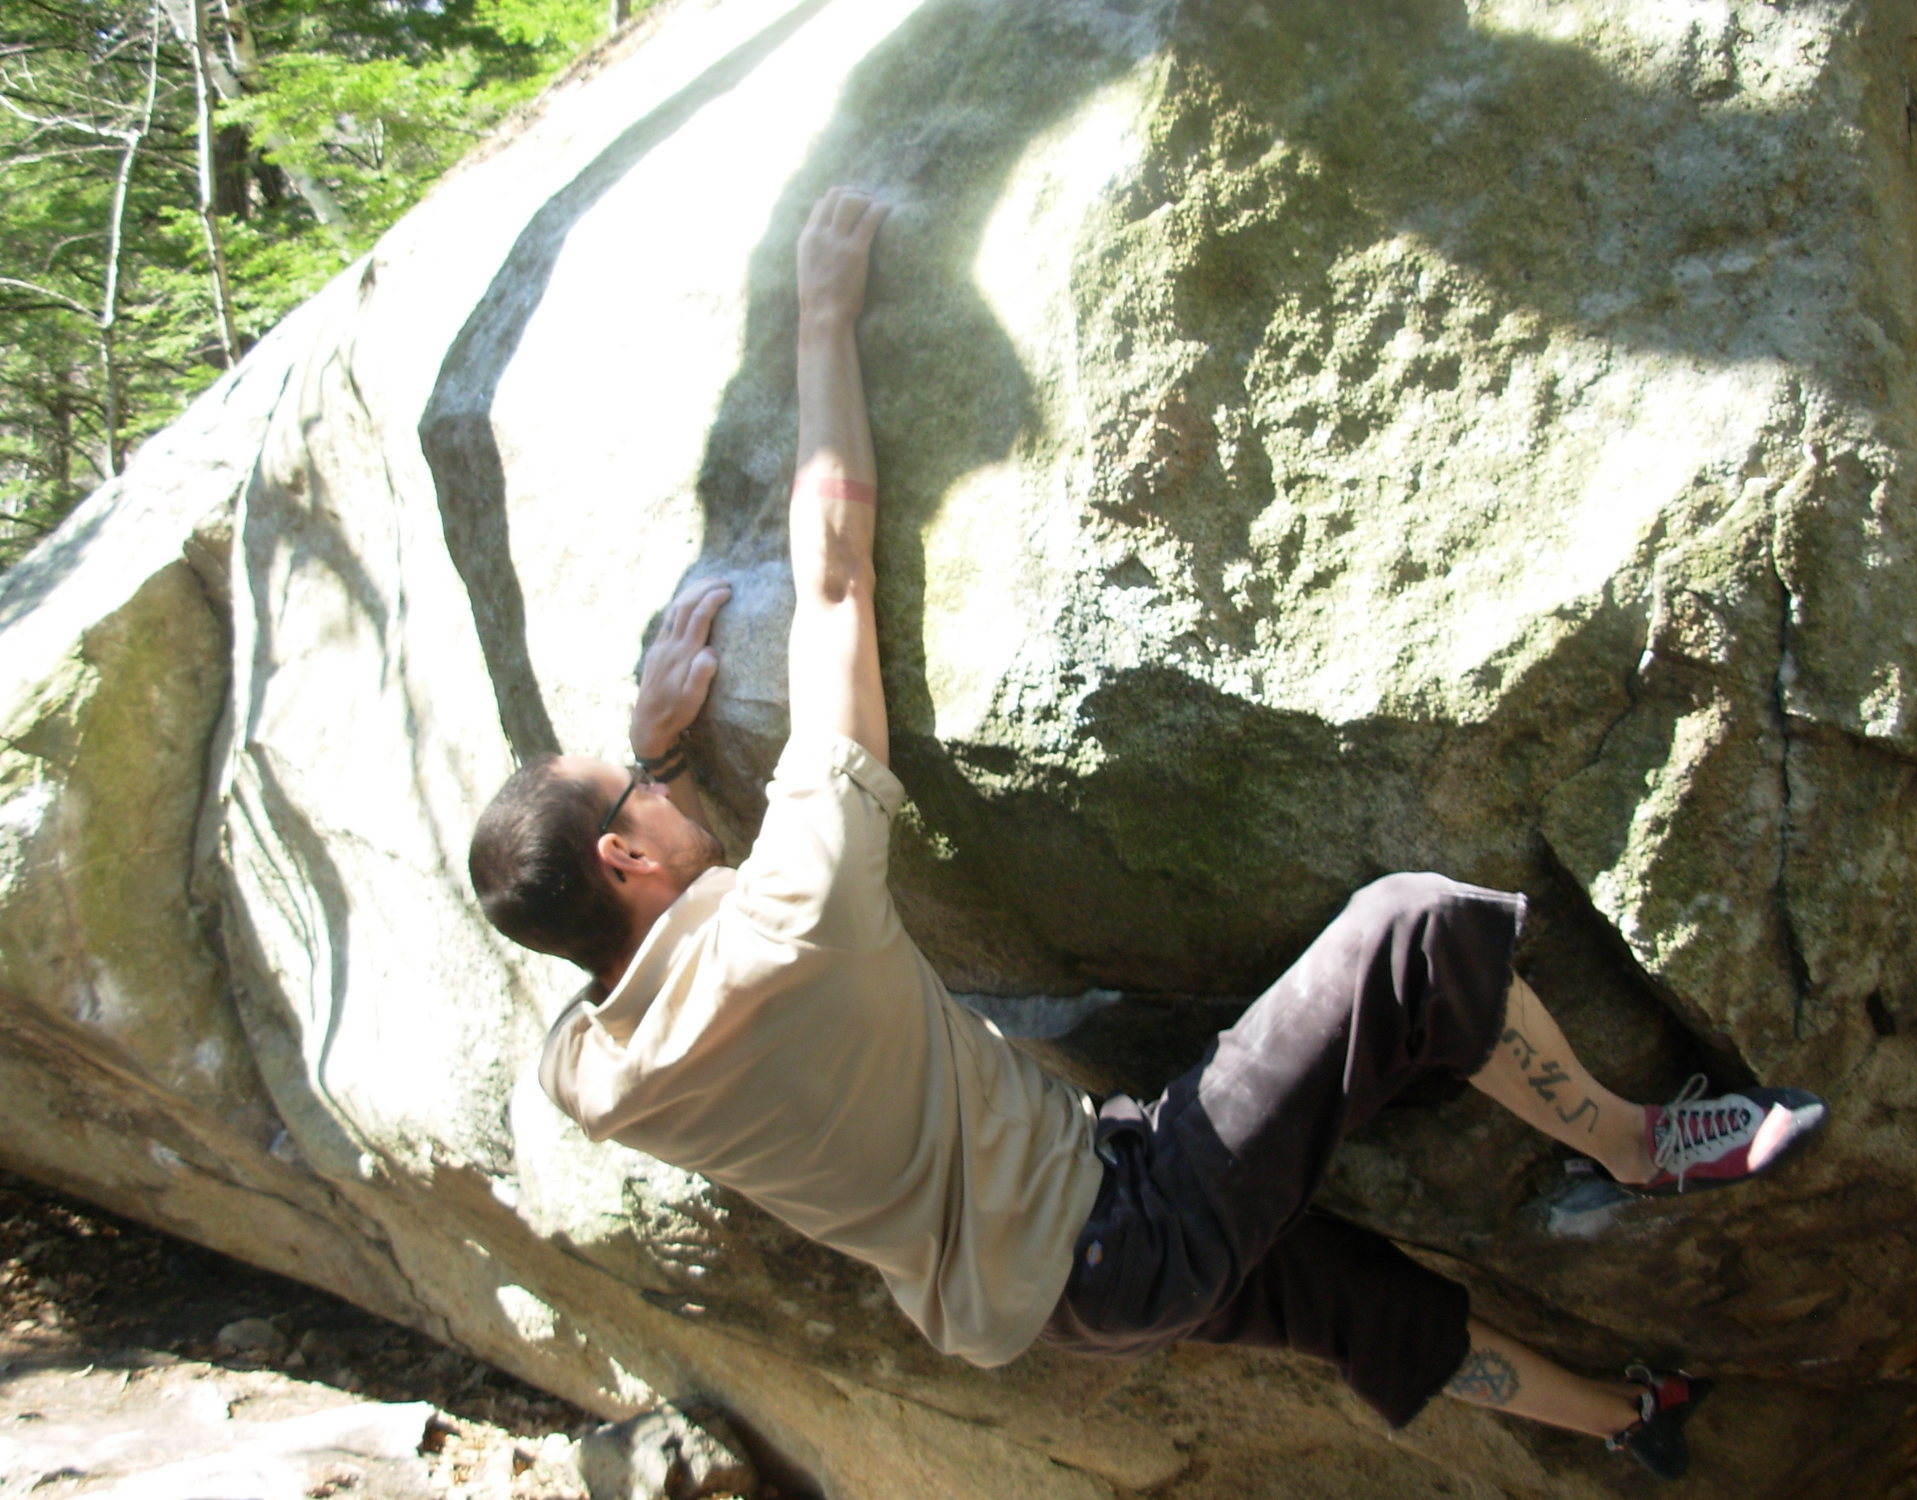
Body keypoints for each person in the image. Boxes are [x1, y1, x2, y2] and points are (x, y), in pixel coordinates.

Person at [467, 186, 1828, 1483]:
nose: (657, 781)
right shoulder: (795, 912)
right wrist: (824, 316)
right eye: (638, 790)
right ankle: (1635, 1148)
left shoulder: (593, 1080)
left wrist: (648, 762)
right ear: (625, 858)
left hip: (1063, 1297)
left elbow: (593, 919)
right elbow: (833, 585)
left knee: (1353, 1305)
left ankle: (1635, 1418)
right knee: (1410, 935)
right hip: (1122, 1221)